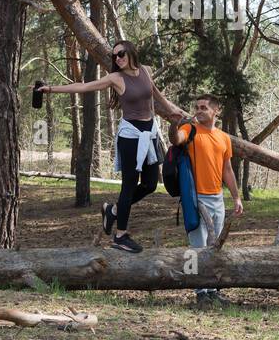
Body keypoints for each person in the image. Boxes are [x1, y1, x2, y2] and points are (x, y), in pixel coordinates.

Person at [40, 40, 188, 253]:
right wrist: (50, 89)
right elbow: (83, 87)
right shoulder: (115, 78)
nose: (117, 58)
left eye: (120, 54)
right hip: (130, 136)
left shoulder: (145, 70)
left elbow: (156, 94)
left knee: (150, 184)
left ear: (130, 52)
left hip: (150, 133)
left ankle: (113, 210)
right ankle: (120, 236)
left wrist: (172, 111)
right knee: (129, 185)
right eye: (114, 56)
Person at [173, 93, 244, 305]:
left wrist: (236, 197)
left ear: (216, 111)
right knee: (197, 245)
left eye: (204, 107)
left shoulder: (223, 138)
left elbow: (228, 170)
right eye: (197, 107)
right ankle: (199, 292)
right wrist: (175, 125)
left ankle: (212, 290)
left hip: (217, 198)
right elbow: (176, 139)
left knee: (214, 245)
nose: (199, 110)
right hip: (195, 197)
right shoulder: (190, 130)